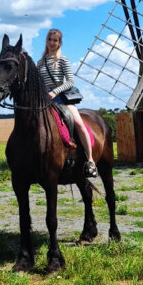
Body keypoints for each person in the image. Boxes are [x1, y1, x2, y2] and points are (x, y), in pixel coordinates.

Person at [37, 28, 97, 178]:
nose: (52, 43)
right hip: (44, 99)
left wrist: (55, 92)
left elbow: (70, 81)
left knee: (78, 123)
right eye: (50, 39)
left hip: (61, 97)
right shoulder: (40, 62)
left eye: (55, 40)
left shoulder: (63, 60)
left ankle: (90, 160)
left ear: (59, 43)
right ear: (46, 41)